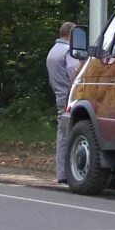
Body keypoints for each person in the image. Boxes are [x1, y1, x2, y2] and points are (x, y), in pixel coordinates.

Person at [47, 21, 83, 184]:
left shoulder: (52, 52)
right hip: (70, 98)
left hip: (59, 96)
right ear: (71, 35)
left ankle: (61, 172)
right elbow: (74, 72)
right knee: (73, 136)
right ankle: (71, 172)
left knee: (61, 136)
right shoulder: (68, 51)